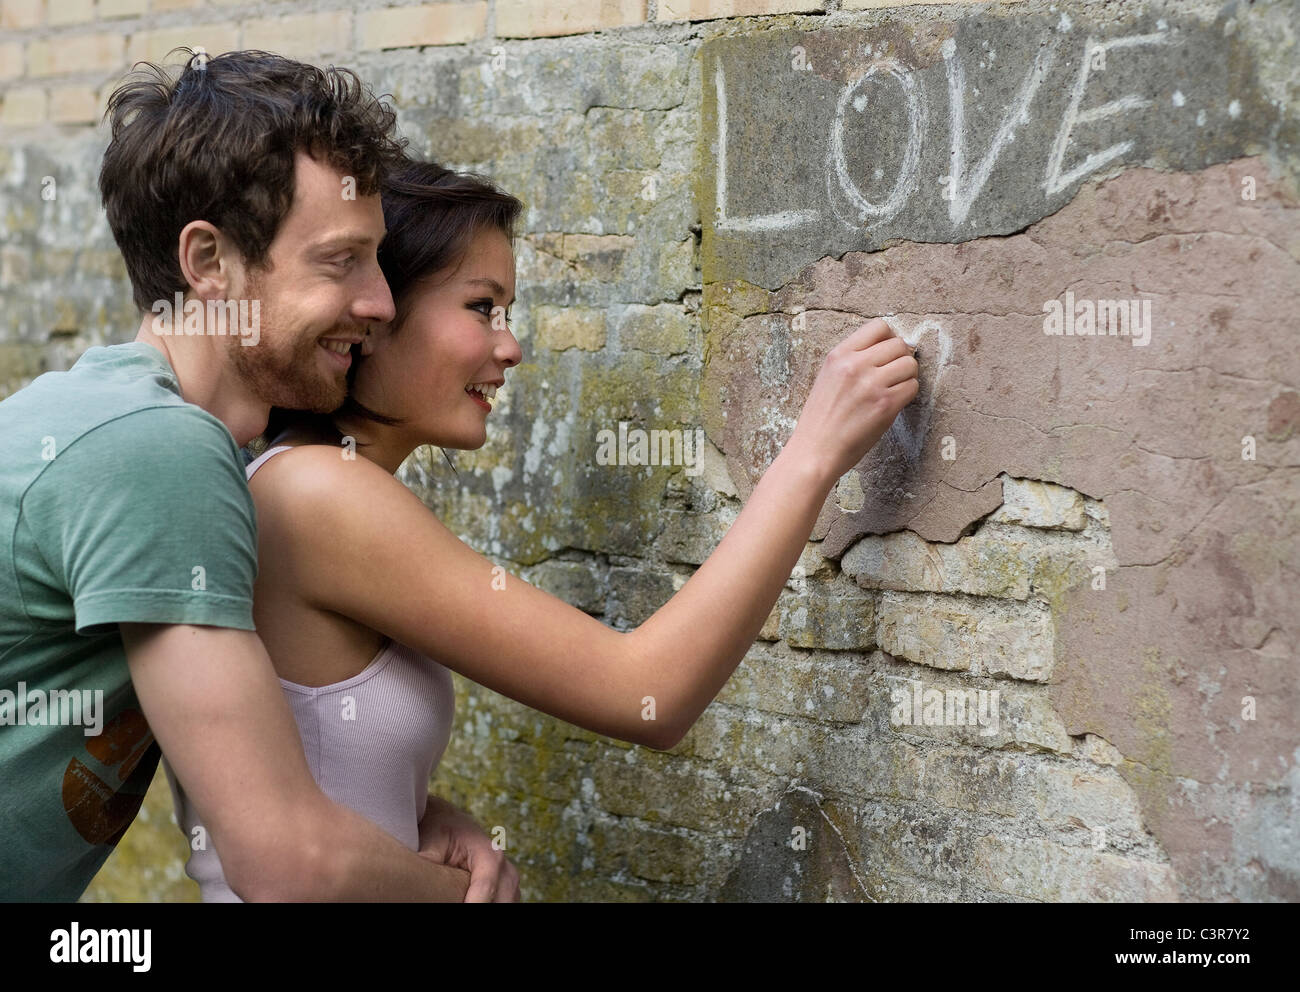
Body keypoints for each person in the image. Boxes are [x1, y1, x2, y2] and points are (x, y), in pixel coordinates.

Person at [164, 154, 920, 899]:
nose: (509, 346)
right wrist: (813, 453)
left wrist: (422, 814)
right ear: (378, 311)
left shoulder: (311, 482)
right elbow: (648, 696)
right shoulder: (316, 494)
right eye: (480, 307)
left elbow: (317, 753)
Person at [0, 51, 507, 902]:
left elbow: (238, 751)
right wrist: (458, 893)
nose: (382, 302)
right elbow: (284, 861)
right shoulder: (157, 452)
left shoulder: (163, 435)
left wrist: (414, 814)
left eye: (379, 261)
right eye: (341, 261)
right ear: (208, 263)